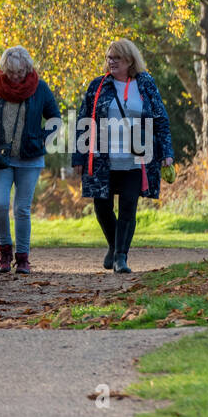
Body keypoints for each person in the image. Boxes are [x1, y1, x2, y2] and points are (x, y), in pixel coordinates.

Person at [72, 39, 174, 274]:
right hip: (102, 159)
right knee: (102, 207)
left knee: (128, 205)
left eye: (117, 57)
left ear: (130, 60)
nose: (111, 61)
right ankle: (113, 244)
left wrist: (167, 152)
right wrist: (78, 156)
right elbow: (83, 121)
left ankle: (120, 257)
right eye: (109, 57)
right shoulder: (98, 86)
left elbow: (161, 119)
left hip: (136, 158)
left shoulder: (145, 83)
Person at [0, 46, 60, 274]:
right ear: (4, 69)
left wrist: (42, 140)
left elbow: (55, 118)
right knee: (0, 205)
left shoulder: (40, 88)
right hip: (1, 158)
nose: (15, 77)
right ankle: (5, 252)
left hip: (30, 158)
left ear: (27, 68)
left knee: (22, 208)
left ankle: (23, 258)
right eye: (11, 72)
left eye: (19, 72)